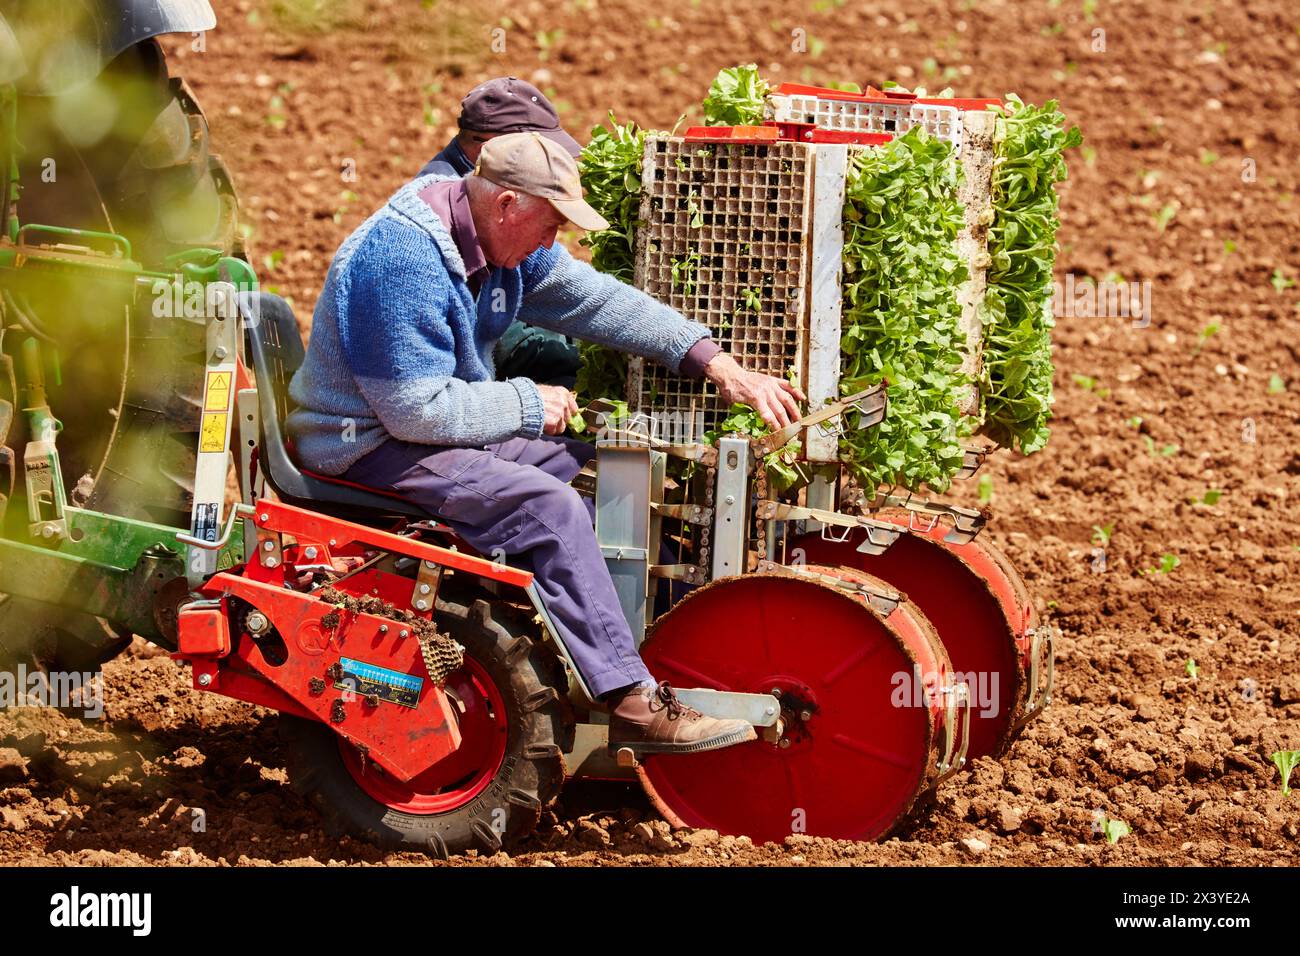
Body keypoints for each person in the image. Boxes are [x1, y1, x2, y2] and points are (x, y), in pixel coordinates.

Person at [288, 132, 805, 754]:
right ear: (507, 203)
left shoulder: (500, 242)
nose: (552, 240)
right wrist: (528, 402)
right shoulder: (403, 257)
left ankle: (661, 651)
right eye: (551, 223)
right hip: (367, 446)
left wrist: (712, 360)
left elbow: (594, 298)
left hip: (421, 431)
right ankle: (628, 702)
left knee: (601, 475)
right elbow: (412, 410)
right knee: (549, 509)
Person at [420, 76, 582, 388]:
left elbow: (557, 278)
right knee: (561, 364)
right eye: (538, 150)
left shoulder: (490, 188)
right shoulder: (445, 209)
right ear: (490, 146)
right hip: (469, 382)